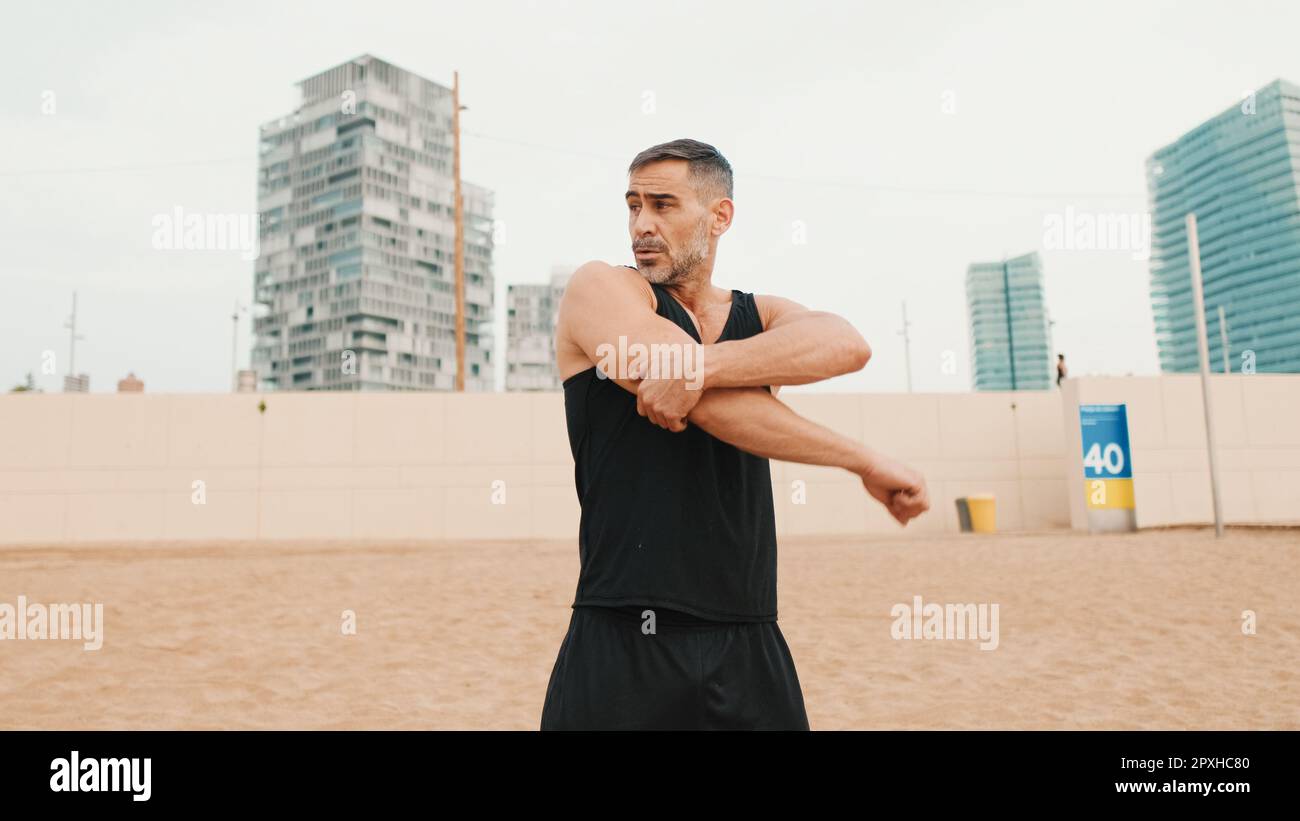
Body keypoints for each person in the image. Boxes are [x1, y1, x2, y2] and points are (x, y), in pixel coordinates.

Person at [540, 138, 929, 730]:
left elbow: (848, 343)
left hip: (748, 639)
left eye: (663, 205)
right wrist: (863, 460)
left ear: (719, 216)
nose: (641, 225)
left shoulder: (759, 314)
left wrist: (699, 369)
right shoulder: (601, 290)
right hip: (623, 636)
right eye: (633, 205)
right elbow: (711, 410)